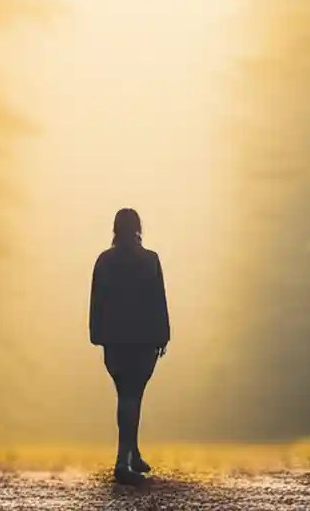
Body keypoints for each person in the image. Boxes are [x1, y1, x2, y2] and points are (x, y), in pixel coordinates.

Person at [89, 207, 170, 486]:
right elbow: (158, 301)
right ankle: (123, 461)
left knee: (127, 396)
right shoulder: (150, 260)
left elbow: (96, 300)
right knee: (133, 396)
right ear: (138, 228)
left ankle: (131, 453)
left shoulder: (105, 260)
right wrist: (163, 335)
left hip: (115, 340)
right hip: (144, 340)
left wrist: (97, 334)